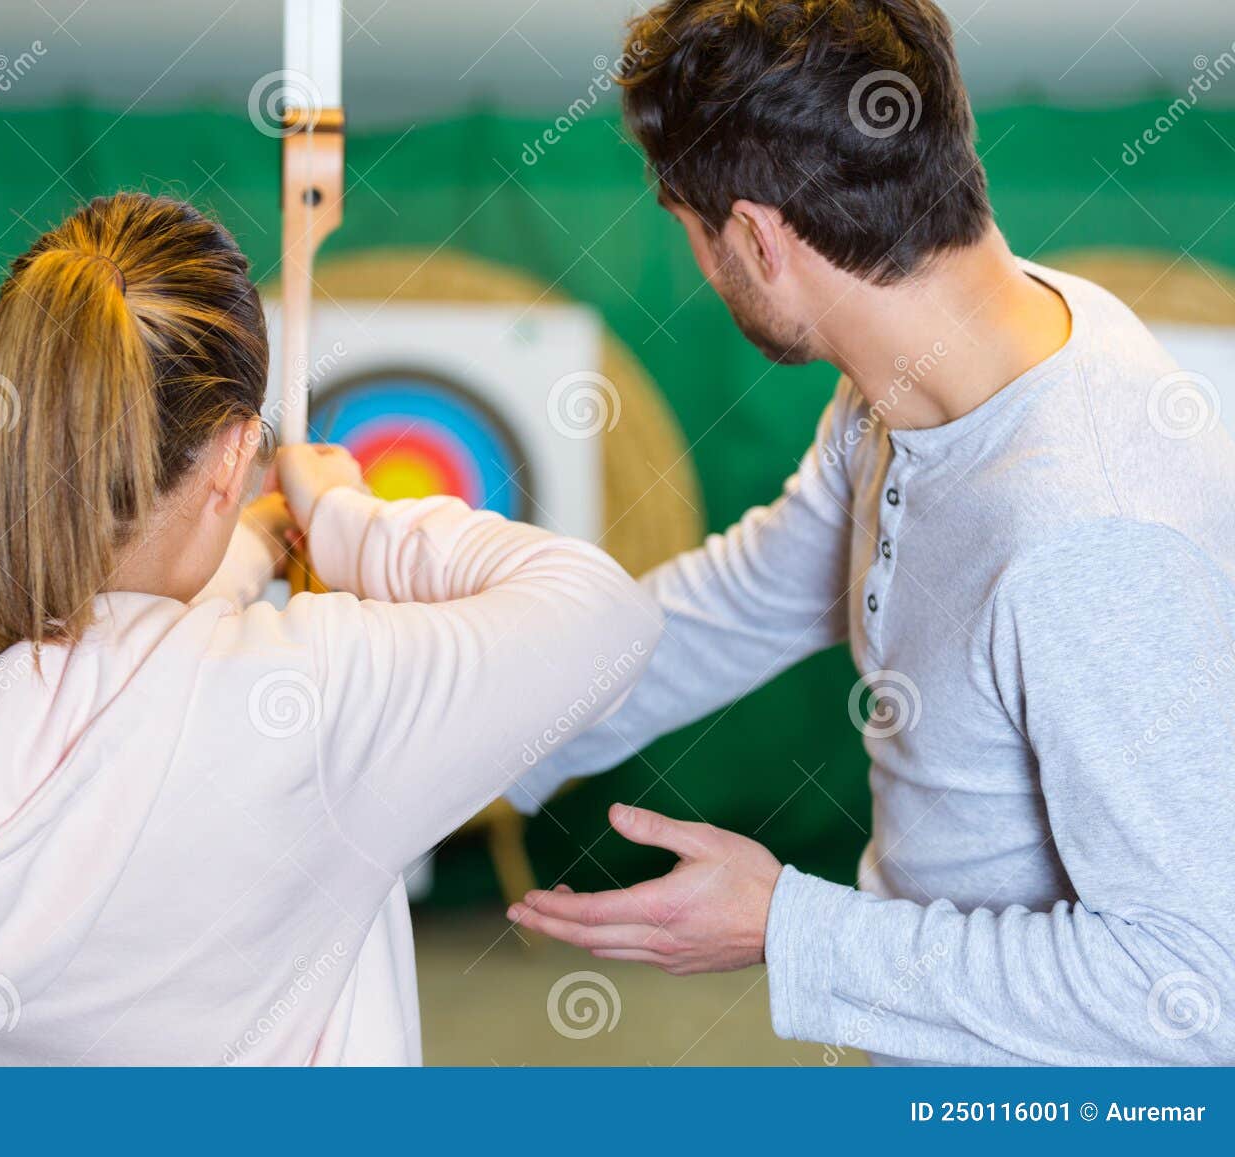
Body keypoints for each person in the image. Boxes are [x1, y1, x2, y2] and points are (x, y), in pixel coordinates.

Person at [506, 0, 1235, 1065]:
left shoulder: (1091, 536)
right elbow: (747, 601)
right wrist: (452, 734)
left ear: (755, 237)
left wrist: (784, 926)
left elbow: (1192, 990)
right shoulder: (906, 382)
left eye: (695, 233)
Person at [0, 192, 659, 1065]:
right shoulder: (305, 700)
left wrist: (249, 544)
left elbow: (111, 657)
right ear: (235, 455)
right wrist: (354, 520)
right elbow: (606, 618)